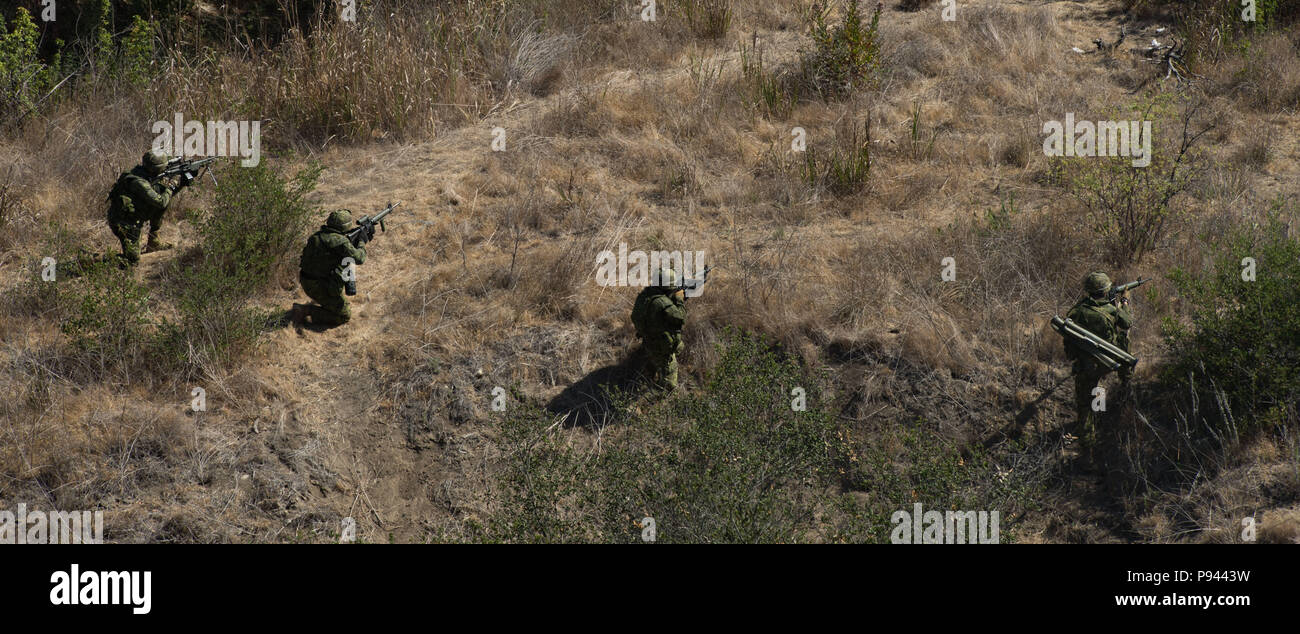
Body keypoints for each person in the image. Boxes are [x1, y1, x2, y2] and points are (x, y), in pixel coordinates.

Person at [1064, 271, 1133, 445]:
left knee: (1085, 404)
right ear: (1105, 291)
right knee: (1098, 393)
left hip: (1084, 363)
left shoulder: (1077, 311)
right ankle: (1126, 378)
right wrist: (1124, 302)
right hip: (1106, 362)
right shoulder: (1110, 310)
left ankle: (1088, 441)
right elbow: (1127, 322)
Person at [105, 150, 185, 265]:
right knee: (132, 262)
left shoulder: (146, 174)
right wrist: (172, 185)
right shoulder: (139, 182)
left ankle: (154, 242)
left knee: (162, 200)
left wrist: (182, 183)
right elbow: (161, 201)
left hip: (134, 217)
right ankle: (93, 260)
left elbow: (164, 197)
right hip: (124, 223)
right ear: (156, 169)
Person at [298, 209, 368, 327]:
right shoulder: (340, 242)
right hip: (319, 286)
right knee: (344, 316)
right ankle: (305, 311)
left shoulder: (317, 236)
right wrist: (362, 242)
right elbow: (359, 258)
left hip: (306, 280)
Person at [631, 267, 686, 391]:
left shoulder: (644, 296)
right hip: (662, 347)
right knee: (669, 378)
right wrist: (679, 300)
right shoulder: (662, 302)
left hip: (648, 341)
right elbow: (680, 318)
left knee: (656, 360)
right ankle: (660, 396)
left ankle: (650, 373)